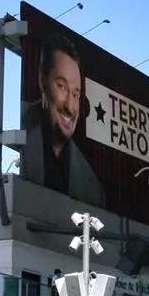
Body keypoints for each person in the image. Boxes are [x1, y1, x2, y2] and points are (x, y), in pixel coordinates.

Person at [18, 31, 105, 207]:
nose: (70, 107)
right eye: (62, 87)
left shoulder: (93, 189)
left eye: (76, 94)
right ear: (42, 79)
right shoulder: (22, 129)